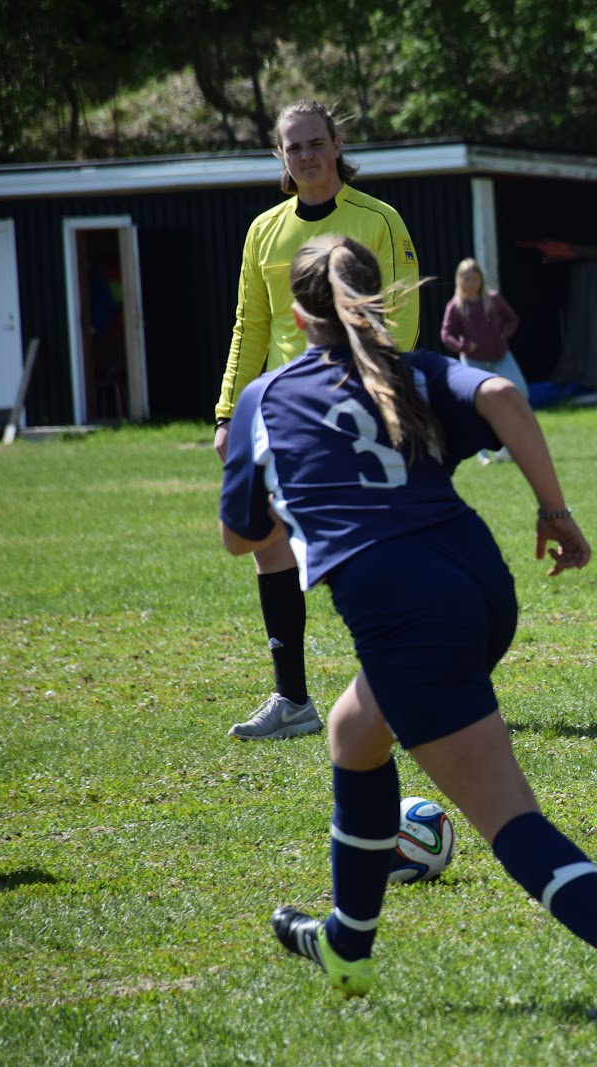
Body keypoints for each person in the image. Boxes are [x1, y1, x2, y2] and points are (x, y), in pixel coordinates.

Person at [219, 234, 597, 1016]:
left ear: (297, 316)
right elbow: (502, 398)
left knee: (506, 815)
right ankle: (347, 943)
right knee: (352, 733)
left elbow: (241, 535)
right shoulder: (406, 370)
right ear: (379, 299)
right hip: (477, 581)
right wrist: (554, 511)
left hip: (406, 609)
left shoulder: (265, 399)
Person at [213, 99, 421, 741]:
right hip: (282, 411)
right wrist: (228, 410)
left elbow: (403, 313)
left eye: (314, 143)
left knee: (372, 552)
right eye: (292, 147)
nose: (304, 156)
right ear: (282, 157)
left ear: (336, 146)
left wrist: (384, 391)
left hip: (358, 406)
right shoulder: (262, 232)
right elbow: (252, 325)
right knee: (268, 545)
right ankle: (292, 699)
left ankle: (405, 686)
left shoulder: (379, 220)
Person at [440, 258, 526, 465]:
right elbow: (446, 333)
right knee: (476, 406)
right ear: (459, 281)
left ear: (481, 280)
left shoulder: (493, 299)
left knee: (519, 392)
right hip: (474, 361)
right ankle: (483, 453)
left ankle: (508, 447)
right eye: (466, 278)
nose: (470, 283)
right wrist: (463, 346)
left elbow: (512, 319)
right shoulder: (456, 305)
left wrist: (502, 336)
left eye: (474, 278)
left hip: (500, 357)